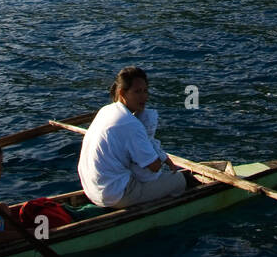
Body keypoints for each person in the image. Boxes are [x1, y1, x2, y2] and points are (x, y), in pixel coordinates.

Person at [78, 66, 196, 209]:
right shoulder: (130, 123)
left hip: (91, 191)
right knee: (182, 180)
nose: (144, 97)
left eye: (145, 91)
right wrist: (158, 153)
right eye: (137, 92)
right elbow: (154, 166)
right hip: (116, 195)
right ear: (122, 93)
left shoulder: (106, 110)